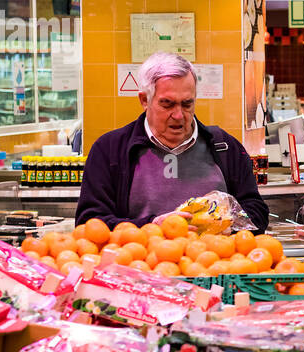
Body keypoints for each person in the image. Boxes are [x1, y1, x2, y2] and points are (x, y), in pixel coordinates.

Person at [76, 52, 268, 229]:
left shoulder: (225, 148)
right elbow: (89, 222)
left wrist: (228, 229)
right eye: (167, 104)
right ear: (144, 100)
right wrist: (151, 226)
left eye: (187, 104)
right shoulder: (109, 150)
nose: (178, 115)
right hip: (138, 263)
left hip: (211, 262)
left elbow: (257, 212)